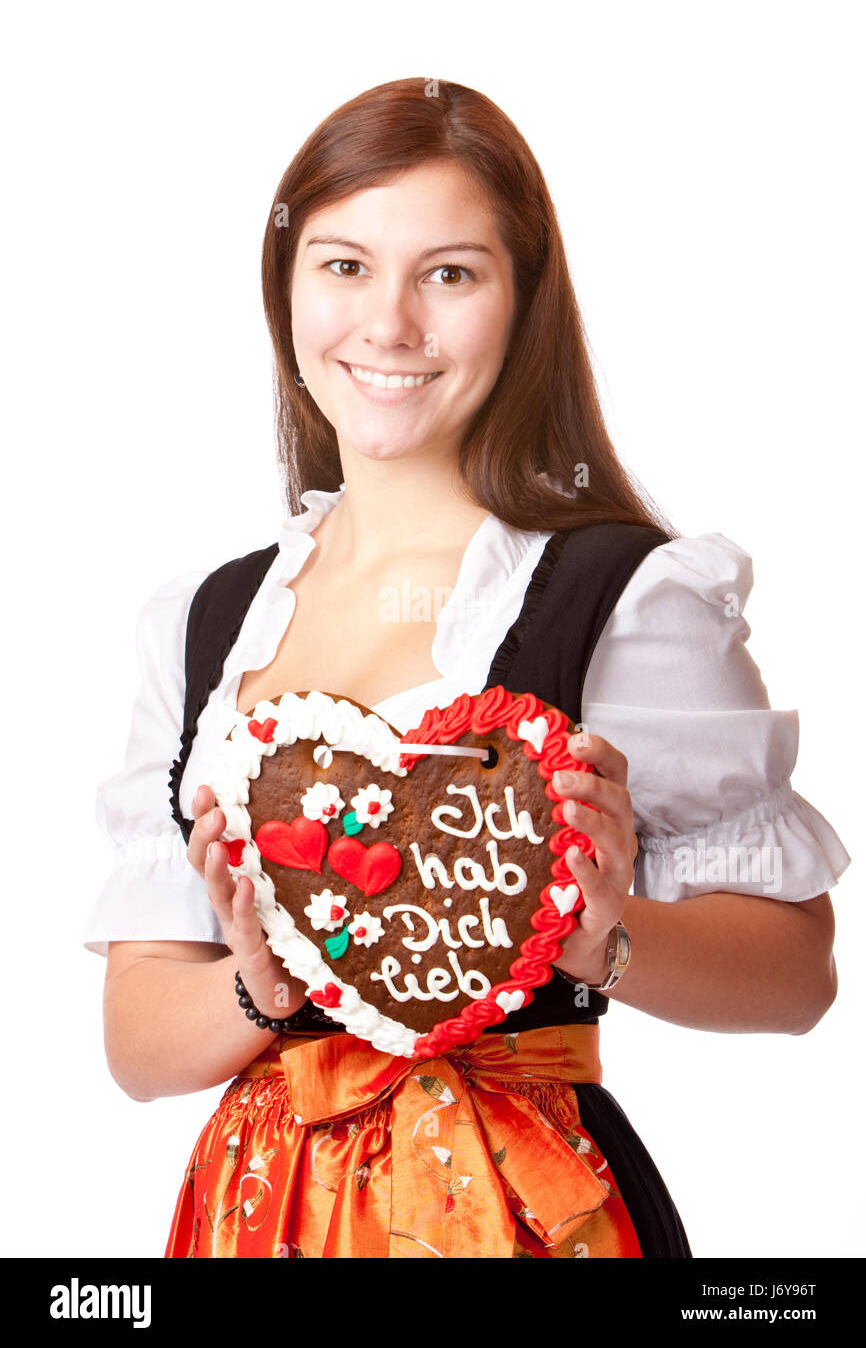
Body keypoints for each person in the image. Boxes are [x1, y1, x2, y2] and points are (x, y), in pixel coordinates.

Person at [83, 78, 848, 1259]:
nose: (388, 324)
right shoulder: (202, 623)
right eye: (342, 265)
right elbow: (136, 1043)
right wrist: (261, 985)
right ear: (284, 286)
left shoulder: (623, 596)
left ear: (522, 300)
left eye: (448, 273)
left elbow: (797, 974)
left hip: (523, 1213)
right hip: (260, 1214)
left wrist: (603, 939)